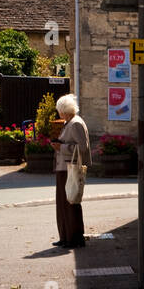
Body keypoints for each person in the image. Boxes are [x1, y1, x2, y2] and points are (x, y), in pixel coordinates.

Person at [53, 93, 90, 249]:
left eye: (59, 110)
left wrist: (60, 147)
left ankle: (74, 238)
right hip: (64, 167)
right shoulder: (70, 122)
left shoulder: (75, 123)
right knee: (63, 203)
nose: (58, 113)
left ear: (63, 110)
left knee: (70, 202)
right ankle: (66, 237)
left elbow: (83, 148)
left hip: (70, 168)